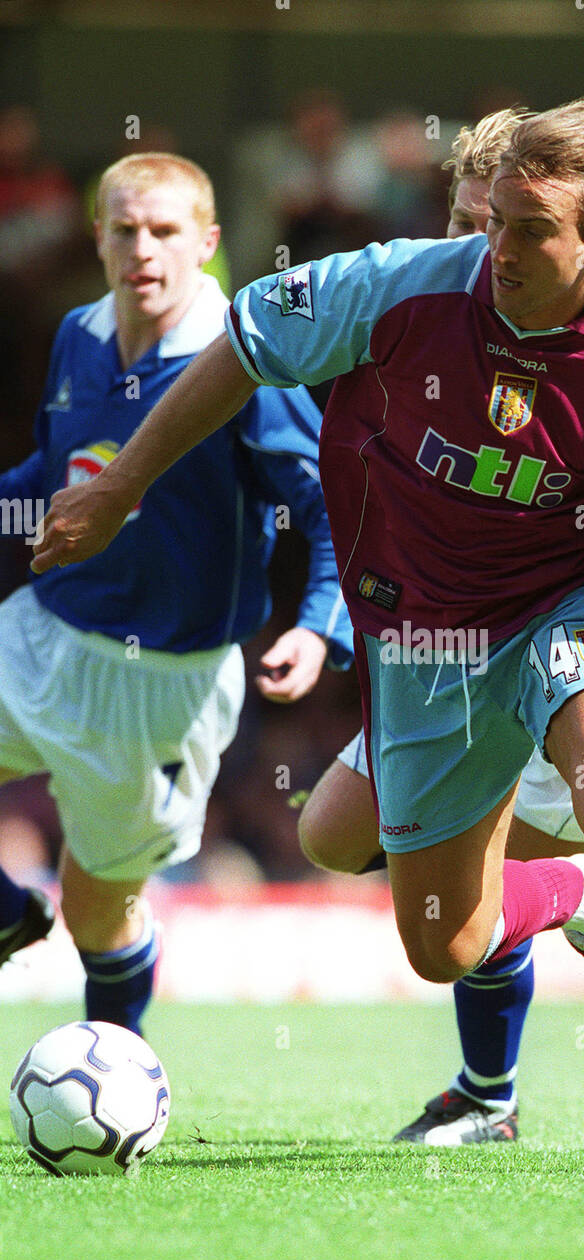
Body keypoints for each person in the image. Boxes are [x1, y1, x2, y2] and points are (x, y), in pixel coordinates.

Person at [31, 102, 584, 1177]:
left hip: (566, 609)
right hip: (421, 642)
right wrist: (123, 484)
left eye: (524, 229)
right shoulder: (399, 283)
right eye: (488, 220)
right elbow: (245, 340)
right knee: (428, 932)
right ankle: (579, 895)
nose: (492, 248)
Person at [295, 110, 584, 1145]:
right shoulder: (438, 326)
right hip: (455, 643)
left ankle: (489, 1090)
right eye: (464, 224)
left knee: (467, 889)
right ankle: (573, 906)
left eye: (500, 228)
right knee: (329, 835)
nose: (476, 254)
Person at [0, 152, 352, 1035]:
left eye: (164, 232)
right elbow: (57, 470)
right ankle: (7, 909)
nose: (143, 250)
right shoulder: (79, 333)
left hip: (160, 687)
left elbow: (332, 510)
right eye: (125, 230)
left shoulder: (242, 368)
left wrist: (317, 627)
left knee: (95, 911)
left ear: (207, 242)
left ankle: (114, 1065)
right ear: (99, 238)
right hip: (45, 628)